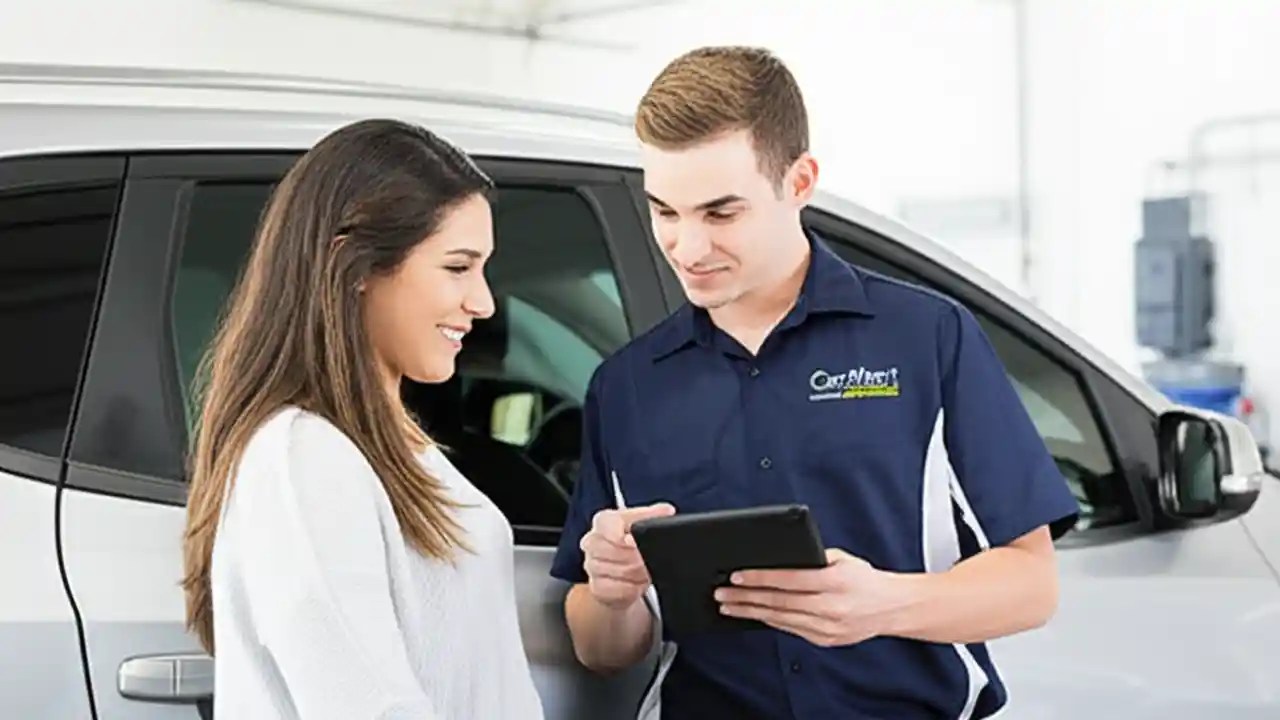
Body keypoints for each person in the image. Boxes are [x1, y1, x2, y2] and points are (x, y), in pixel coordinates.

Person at [549, 46, 1080, 719]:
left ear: (800, 182)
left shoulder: (926, 339)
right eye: (665, 212)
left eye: (720, 213)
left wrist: (883, 604)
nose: (686, 246)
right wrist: (611, 592)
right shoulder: (625, 388)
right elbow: (605, 650)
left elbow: (1032, 584)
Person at [180, 118, 545, 720]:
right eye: (457, 267)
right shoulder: (303, 457)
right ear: (355, 268)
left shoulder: (388, 446)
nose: (483, 302)